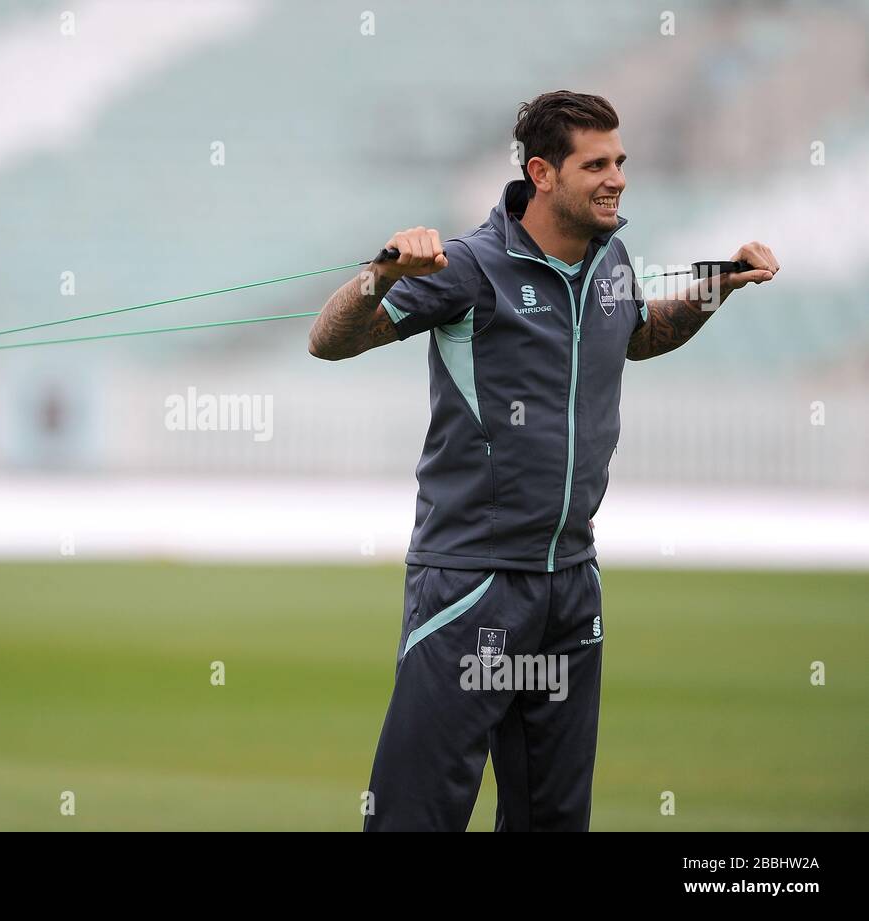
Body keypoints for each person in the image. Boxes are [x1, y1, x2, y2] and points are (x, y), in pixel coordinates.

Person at [308, 90, 778, 831]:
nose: (617, 176)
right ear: (543, 173)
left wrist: (718, 288)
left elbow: (641, 334)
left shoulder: (612, 259)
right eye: (597, 163)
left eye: (620, 160)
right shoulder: (467, 266)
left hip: (569, 590)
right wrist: (383, 273)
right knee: (417, 813)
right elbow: (329, 340)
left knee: (553, 819)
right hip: (471, 584)